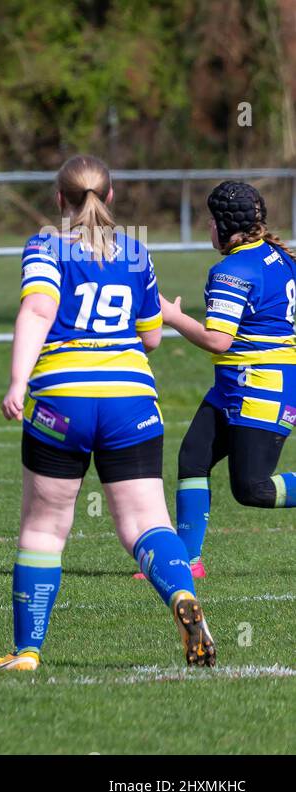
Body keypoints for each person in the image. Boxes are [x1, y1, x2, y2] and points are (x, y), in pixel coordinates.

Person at [0, 155, 215, 670]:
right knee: (146, 522)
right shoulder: (135, 251)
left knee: (44, 529)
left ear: (57, 199)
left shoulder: (46, 245)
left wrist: (18, 382)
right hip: (129, 401)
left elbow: (38, 310)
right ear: (110, 198)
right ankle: (181, 595)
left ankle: (27, 651)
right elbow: (152, 336)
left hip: (61, 403)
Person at [159, 181, 296, 578]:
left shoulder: (232, 270)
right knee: (193, 458)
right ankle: (187, 561)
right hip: (232, 388)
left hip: (261, 391)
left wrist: (172, 316)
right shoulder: (277, 256)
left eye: (210, 221)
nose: (207, 228)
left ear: (224, 225)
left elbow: (218, 341)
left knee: (251, 488)